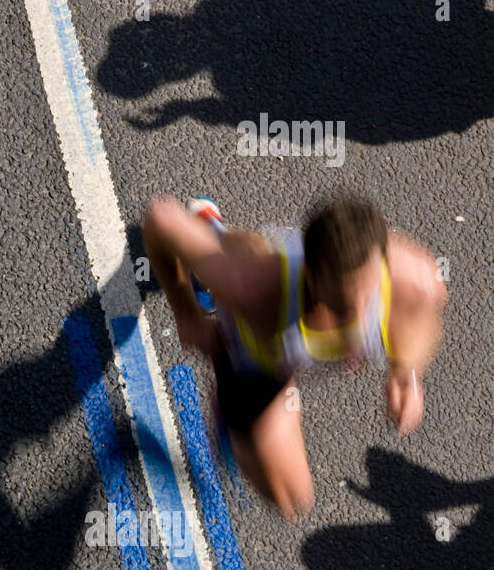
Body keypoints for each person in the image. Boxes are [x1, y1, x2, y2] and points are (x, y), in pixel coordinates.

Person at [142, 192, 447, 521]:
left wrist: (406, 372)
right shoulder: (253, 288)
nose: (360, 312)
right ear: (312, 276)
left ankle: (208, 252)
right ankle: (207, 227)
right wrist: (186, 313)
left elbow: (423, 320)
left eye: (367, 292)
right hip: (255, 364)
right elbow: (160, 219)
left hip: (281, 335)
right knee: (289, 499)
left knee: (297, 505)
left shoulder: (413, 281)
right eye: (341, 301)